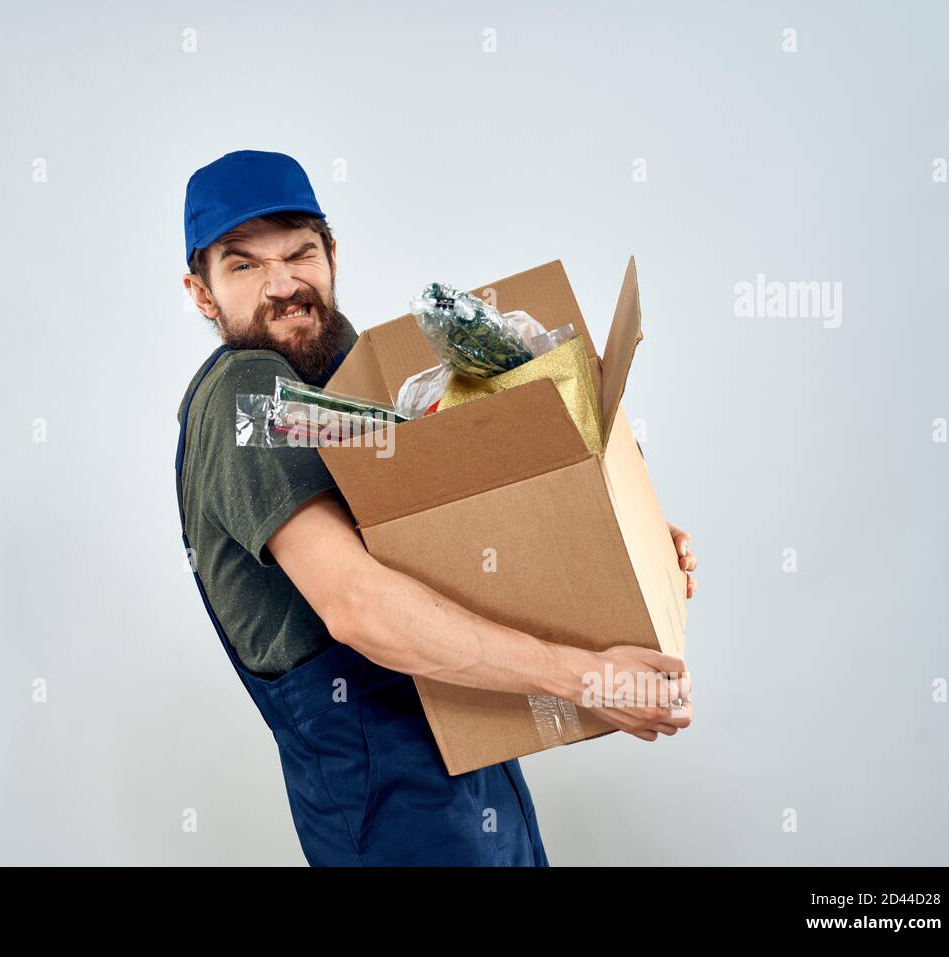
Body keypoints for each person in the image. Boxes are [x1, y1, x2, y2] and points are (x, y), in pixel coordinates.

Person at [175, 149, 698, 866]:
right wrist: (587, 676)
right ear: (201, 293)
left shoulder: (345, 377)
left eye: (300, 253)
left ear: (332, 254)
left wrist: (618, 537)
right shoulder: (251, 394)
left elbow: (461, 534)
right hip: (397, 817)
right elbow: (360, 606)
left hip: (471, 773)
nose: (283, 284)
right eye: (243, 265)